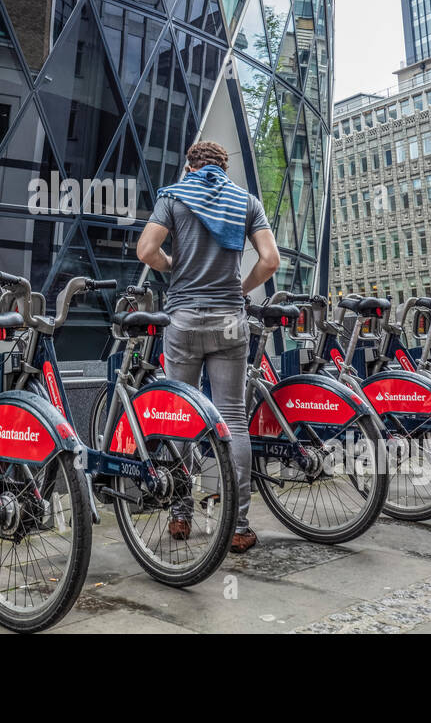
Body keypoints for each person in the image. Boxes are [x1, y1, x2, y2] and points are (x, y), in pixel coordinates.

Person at [135, 140, 279, 552]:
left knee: (181, 415)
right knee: (233, 419)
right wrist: (241, 287)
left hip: (183, 318)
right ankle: (238, 525)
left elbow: (147, 250)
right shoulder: (246, 201)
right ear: (224, 168)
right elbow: (270, 261)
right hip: (230, 321)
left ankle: (181, 514)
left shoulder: (174, 196)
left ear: (189, 165)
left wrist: (173, 266)